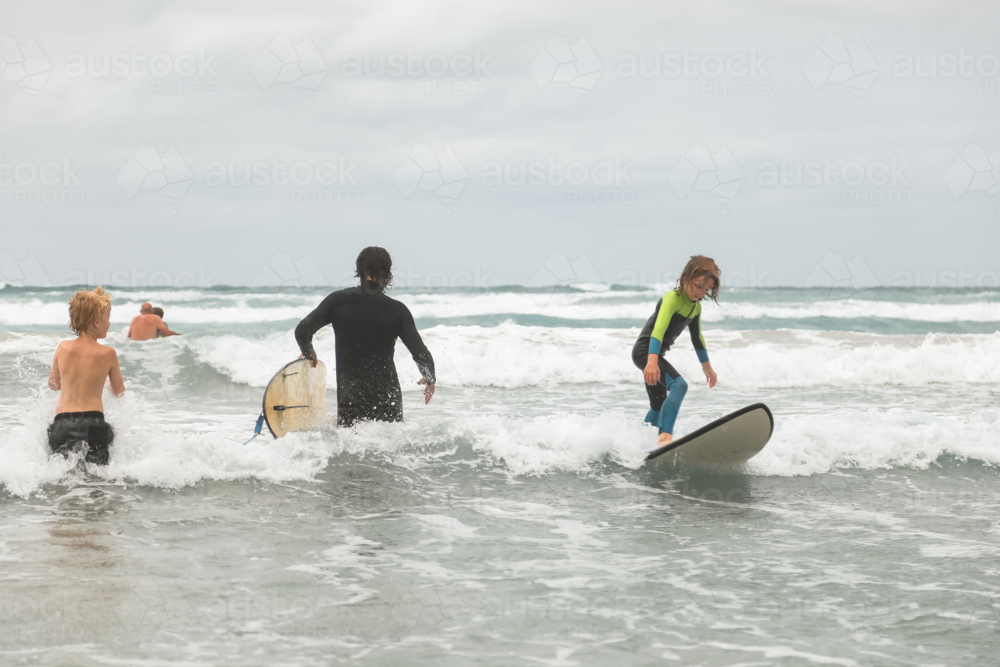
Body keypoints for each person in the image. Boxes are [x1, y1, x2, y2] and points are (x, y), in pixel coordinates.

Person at [294, 246, 435, 427]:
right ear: (387, 273)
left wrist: (308, 351)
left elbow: (302, 331)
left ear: (359, 271)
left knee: (351, 451)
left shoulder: (338, 300)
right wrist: (430, 379)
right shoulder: (398, 310)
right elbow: (421, 354)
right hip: (388, 403)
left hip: (350, 403)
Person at [632, 255, 720, 450]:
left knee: (657, 405)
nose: (700, 292)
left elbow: (697, 339)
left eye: (706, 290)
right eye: (698, 286)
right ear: (686, 278)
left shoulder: (695, 308)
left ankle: (637, 444)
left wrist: (707, 367)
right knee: (679, 385)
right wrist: (652, 361)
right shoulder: (671, 298)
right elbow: (658, 330)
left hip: (654, 356)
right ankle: (665, 436)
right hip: (645, 352)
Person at [47, 286, 126, 465]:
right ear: (97, 322)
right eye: (108, 318)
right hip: (94, 421)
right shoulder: (108, 353)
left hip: (63, 422)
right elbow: (120, 391)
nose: (110, 323)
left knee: (64, 471)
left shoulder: (63, 348)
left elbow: (53, 384)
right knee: (96, 475)